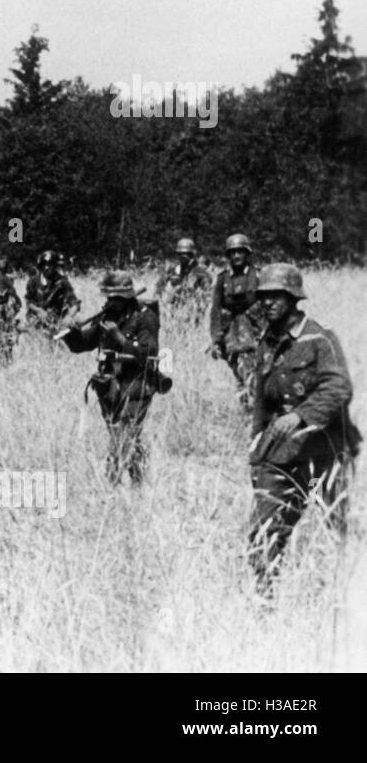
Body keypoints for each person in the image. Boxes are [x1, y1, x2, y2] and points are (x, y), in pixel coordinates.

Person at [246, 264, 360, 596]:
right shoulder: (267, 343)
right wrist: (257, 454)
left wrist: (299, 416)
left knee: (335, 529)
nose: (267, 303)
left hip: (321, 458)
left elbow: (339, 389)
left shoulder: (319, 339)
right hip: (281, 458)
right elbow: (261, 404)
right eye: (263, 297)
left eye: (276, 296)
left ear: (294, 298)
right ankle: (264, 605)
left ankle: (343, 598)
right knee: (263, 532)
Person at [60, 271, 167, 485]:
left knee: (125, 431)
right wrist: (70, 330)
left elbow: (148, 352)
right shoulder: (106, 317)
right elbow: (83, 344)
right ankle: (138, 480)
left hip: (138, 382)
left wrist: (118, 336)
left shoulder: (145, 317)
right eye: (108, 297)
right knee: (118, 431)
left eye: (115, 298)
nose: (110, 302)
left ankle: (112, 482)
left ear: (127, 297)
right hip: (110, 384)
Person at [209, 234, 263, 404]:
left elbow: (268, 306)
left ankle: (256, 408)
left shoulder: (259, 275)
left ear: (247, 253)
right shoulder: (222, 279)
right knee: (239, 372)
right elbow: (216, 310)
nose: (236, 256)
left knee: (255, 372)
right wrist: (216, 339)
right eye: (232, 252)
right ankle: (246, 406)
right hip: (230, 334)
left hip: (255, 332)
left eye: (240, 252)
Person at [154, 238, 213, 322]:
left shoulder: (200, 272)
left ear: (192, 254)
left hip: (194, 313)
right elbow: (159, 285)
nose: (183, 256)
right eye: (180, 253)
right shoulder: (174, 270)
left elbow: (207, 293)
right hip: (175, 311)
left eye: (187, 254)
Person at [24, 250, 81, 334]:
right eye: (44, 264)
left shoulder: (62, 282)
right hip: (35, 320)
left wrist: (69, 317)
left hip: (55, 321)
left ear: (55, 266)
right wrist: (39, 310)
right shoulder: (33, 281)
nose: (46, 267)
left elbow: (74, 303)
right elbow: (29, 302)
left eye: (50, 264)